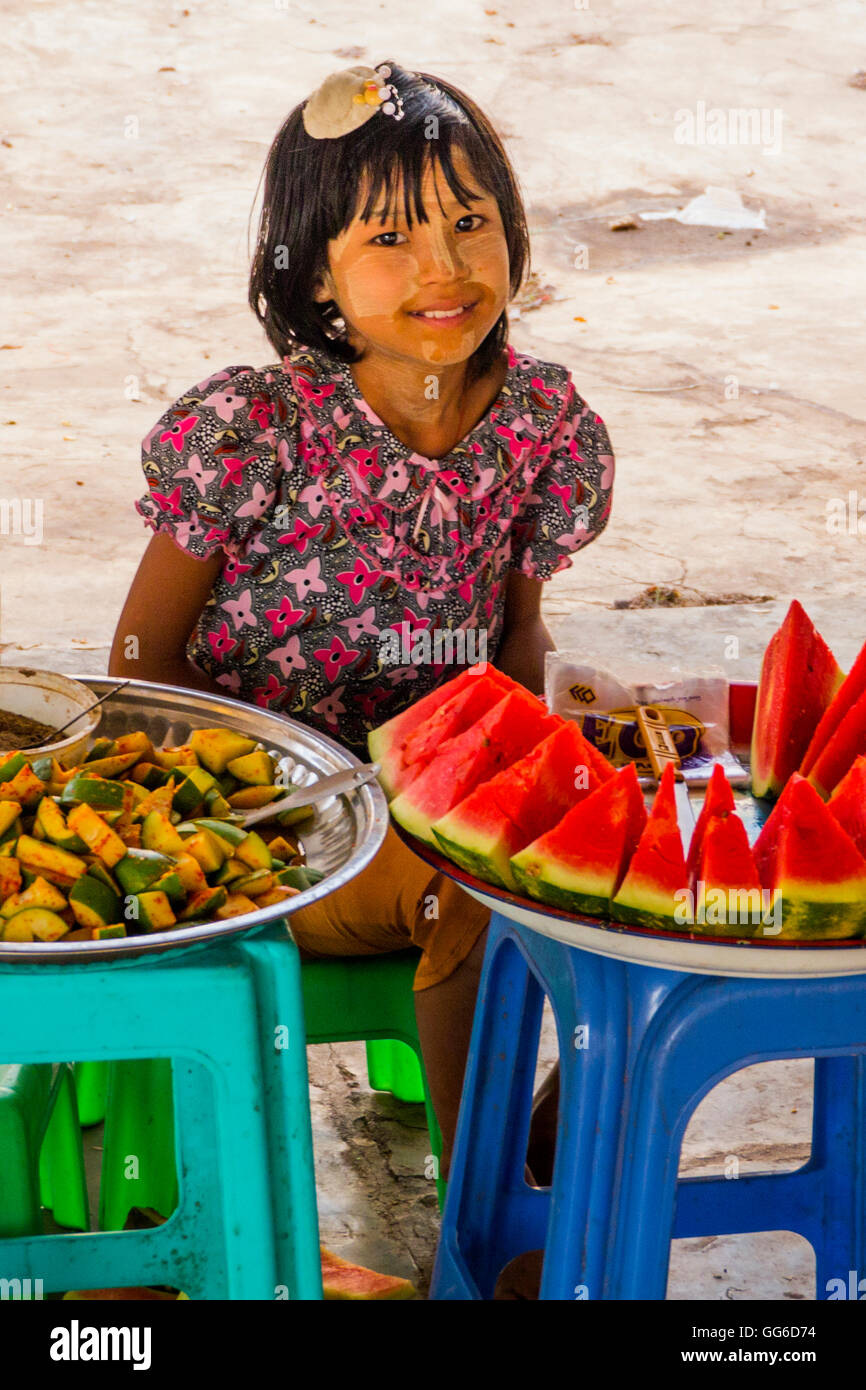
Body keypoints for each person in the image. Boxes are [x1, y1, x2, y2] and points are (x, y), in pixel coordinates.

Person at [110, 60, 614, 1201]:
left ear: (511, 236)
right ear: (316, 276)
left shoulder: (542, 425)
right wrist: (240, 789)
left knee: (642, 870)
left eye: (468, 223)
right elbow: (140, 663)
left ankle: (536, 1138)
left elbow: (516, 645)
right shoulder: (256, 429)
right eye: (388, 238)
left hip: (438, 789)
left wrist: (545, 763)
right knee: (467, 891)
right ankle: (492, 1219)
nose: (441, 268)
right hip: (271, 824)